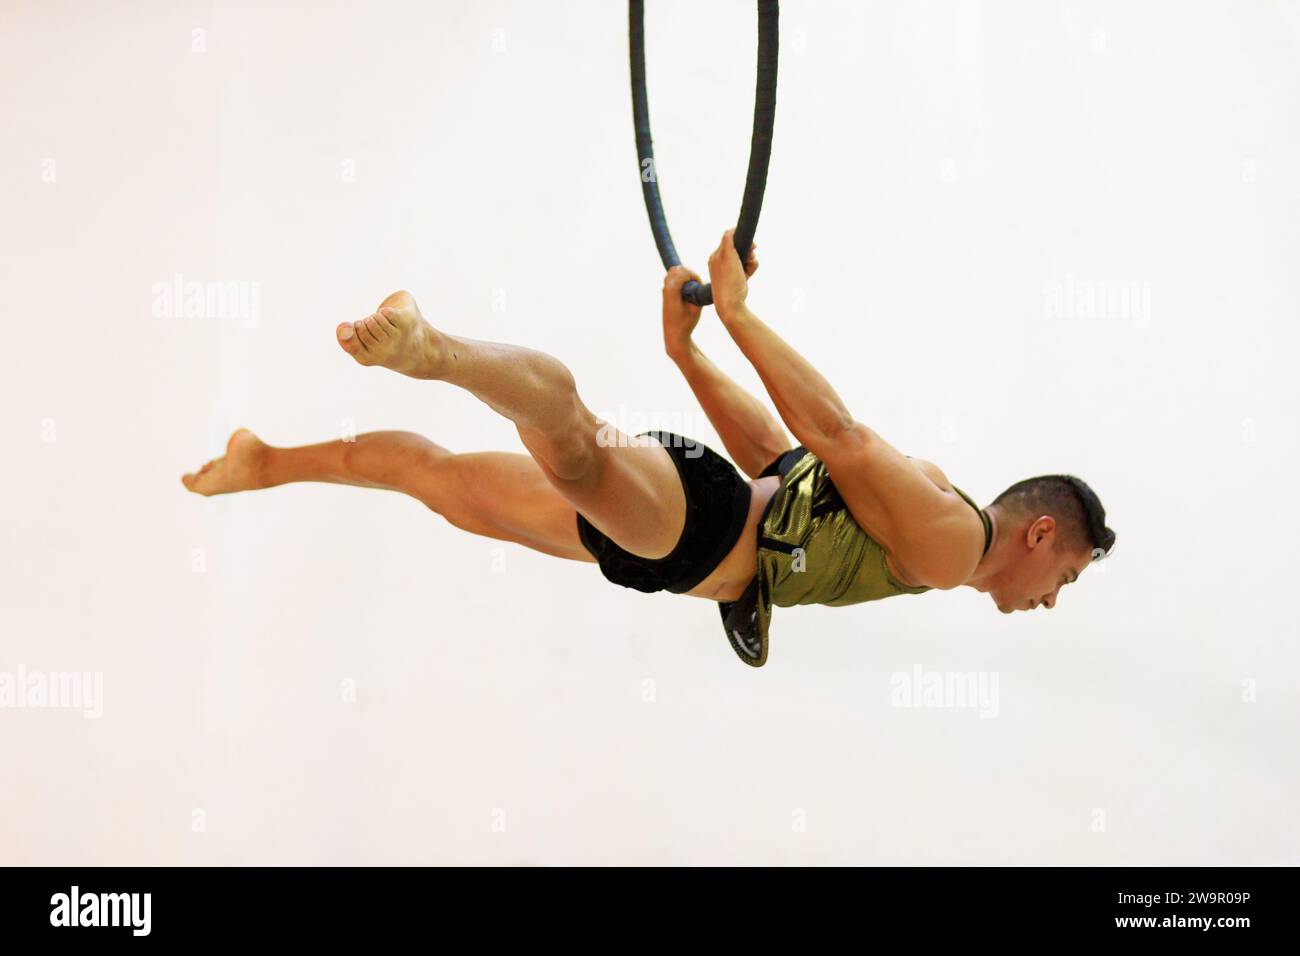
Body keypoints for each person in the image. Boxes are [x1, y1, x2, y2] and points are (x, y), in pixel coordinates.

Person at [183, 231, 1115, 666]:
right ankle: (435, 350)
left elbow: (786, 460)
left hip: (685, 532)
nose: (1049, 600)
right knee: (575, 447)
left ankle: (265, 460)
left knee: (442, 486)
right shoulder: (952, 546)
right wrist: (739, 317)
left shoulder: (929, 509)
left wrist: (689, 352)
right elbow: (839, 435)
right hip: (697, 526)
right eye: (1065, 578)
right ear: (1039, 534)